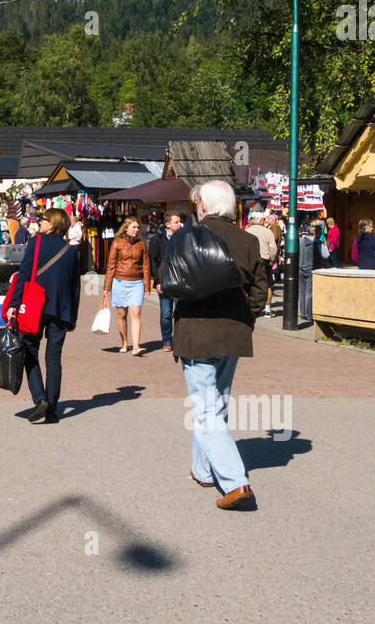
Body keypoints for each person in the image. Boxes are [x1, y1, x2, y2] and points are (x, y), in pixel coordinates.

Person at [172, 181, 270, 510]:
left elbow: (167, 281)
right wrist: (246, 319)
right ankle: (202, 470)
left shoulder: (186, 237)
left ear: (202, 204)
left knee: (206, 409)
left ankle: (235, 482)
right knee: (216, 404)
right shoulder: (247, 240)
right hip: (232, 334)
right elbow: (260, 290)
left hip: (196, 333)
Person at [5, 208, 80, 423]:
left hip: (35, 307)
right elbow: (75, 287)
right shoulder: (71, 250)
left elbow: (24, 276)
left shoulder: (36, 242)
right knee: (54, 359)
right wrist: (72, 316)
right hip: (61, 309)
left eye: (43, 219)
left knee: (29, 351)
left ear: (53, 223)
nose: (40, 222)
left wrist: (14, 303)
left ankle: (40, 399)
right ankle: (52, 410)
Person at [102, 217, 152, 355]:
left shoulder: (141, 244)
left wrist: (147, 285)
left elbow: (146, 265)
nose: (136, 230)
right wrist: (106, 287)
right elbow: (111, 265)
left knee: (135, 314)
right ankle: (124, 342)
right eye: (134, 227)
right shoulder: (117, 243)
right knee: (121, 314)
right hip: (120, 282)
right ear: (126, 228)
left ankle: (136, 346)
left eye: (138, 228)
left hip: (137, 283)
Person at [146, 210, 184, 351]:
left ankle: (180, 341)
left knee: (181, 313)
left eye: (180, 221)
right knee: (166, 314)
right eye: (177, 222)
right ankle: (167, 341)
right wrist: (157, 281)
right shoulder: (157, 240)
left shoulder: (183, 239)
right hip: (164, 282)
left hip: (180, 283)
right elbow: (153, 262)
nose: (180, 224)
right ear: (168, 224)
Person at [245, 211, 278, 317]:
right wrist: (272, 260)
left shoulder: (247, 231)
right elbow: (273, 248)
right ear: (261, 221)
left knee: (249, 283)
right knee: (267, 285)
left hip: (250, 260)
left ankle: (249, 307)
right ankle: (267, 309)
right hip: (264, 260)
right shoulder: (267, 232)